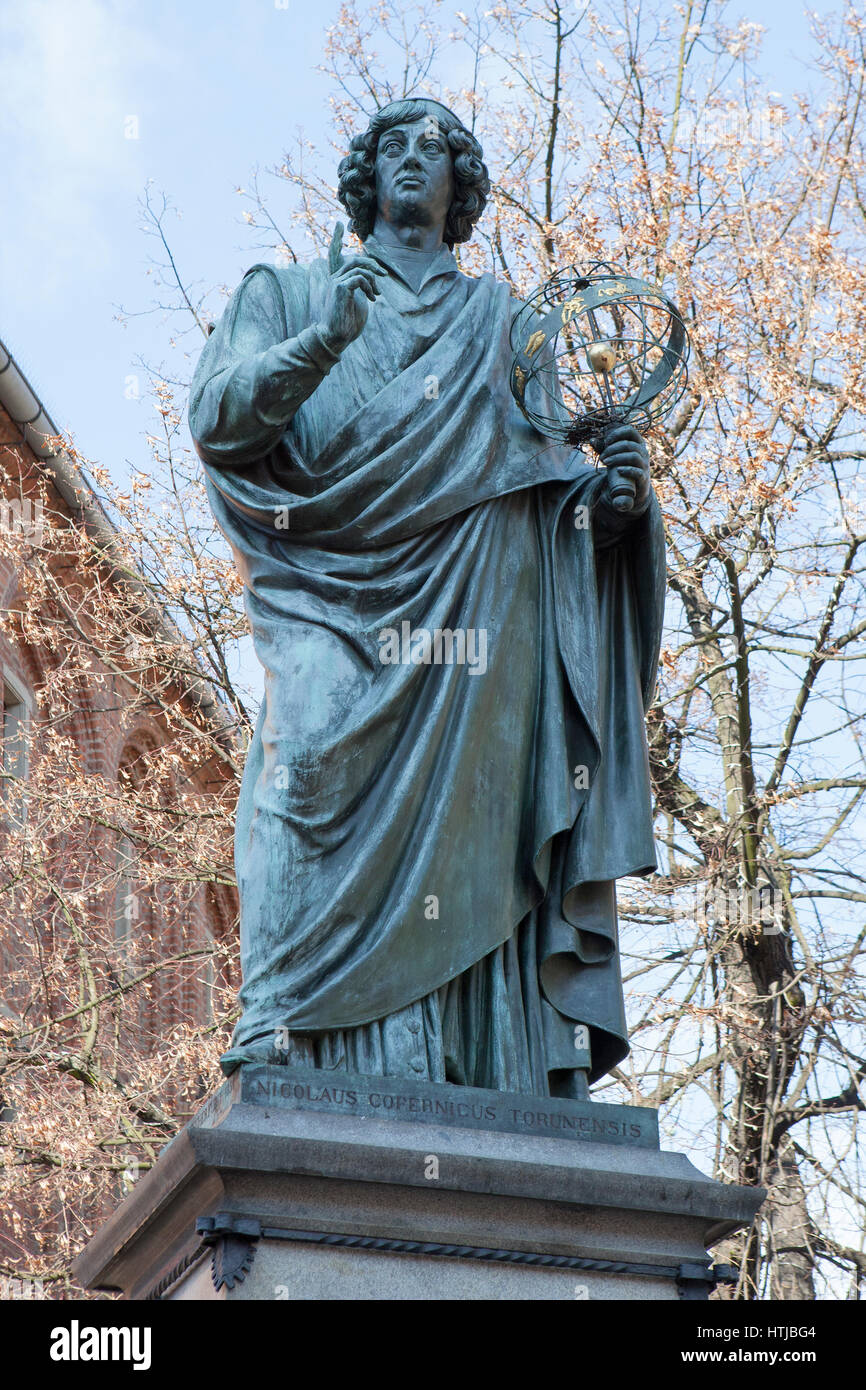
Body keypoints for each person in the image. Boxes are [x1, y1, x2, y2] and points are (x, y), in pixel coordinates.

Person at [189, 98, 665, 1099]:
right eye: (394, 144)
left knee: (481, 836)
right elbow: (220, 419)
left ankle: (475, 1068)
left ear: (460, 189)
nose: (414, 157)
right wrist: (320, 342)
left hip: (478, 621)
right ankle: (285, 1021)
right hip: (327, 595)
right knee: (300, 761)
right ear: (366, 175)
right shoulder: (287, 290)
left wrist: (611, 512)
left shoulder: (502, 325)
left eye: (437, 148)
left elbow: (542, 497)